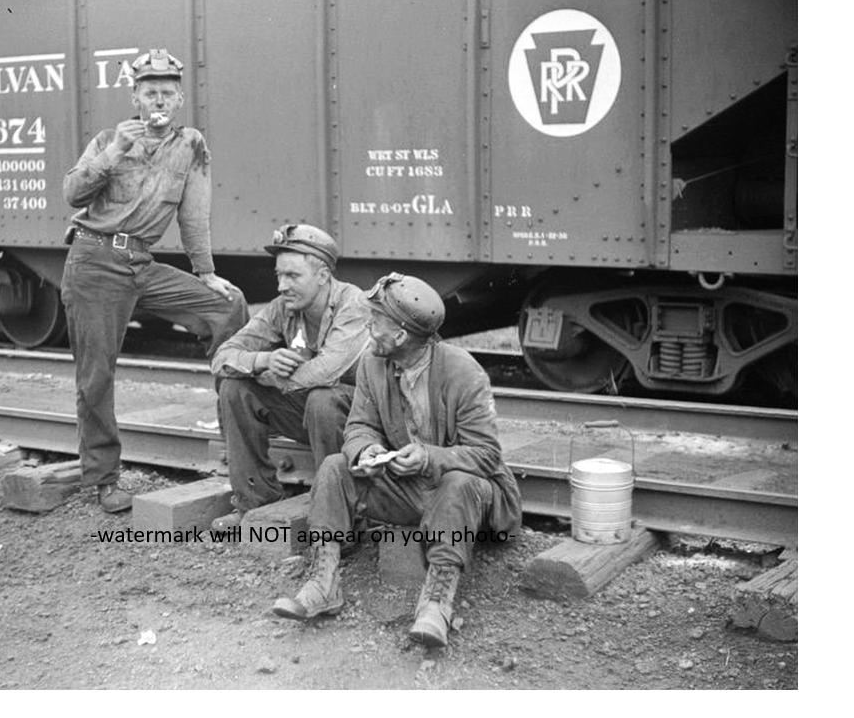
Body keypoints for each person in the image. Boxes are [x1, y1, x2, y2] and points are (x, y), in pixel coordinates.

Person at [271, 273, 522, 648]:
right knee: (335, 466)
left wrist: (427, 457)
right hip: (411, 492)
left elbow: (486, 456)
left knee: (458, 482)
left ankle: (437, 602)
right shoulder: (374, 364)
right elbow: (358, 427)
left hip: (468, 500)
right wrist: (364, 450)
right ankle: (323, 582)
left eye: (376, 324)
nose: (369, 331)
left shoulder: (464, 372)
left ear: (402, 337)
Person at [62, 49, 248, 513]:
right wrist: (114, 152)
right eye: (150, 93)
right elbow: (72, 192)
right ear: (135, 97)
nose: (158, 100)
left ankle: (237, 443)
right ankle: (103, 480)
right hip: (95, 260)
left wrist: (205, 272)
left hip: (141, 264)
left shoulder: (191, 144)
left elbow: (194, 213)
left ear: (180, 97)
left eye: (167, 92)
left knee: (227, 307)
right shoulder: (111, 138)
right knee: (96, 374)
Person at [210, 224, 371, 527]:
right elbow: (222, 358)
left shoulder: (354, 304)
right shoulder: (282, 308)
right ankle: (255, 506)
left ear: (323, 276)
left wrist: (272, 378)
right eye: (279, 276)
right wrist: (262, 359)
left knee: (323, 398)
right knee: (234, 388)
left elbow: (327, 371)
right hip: (317, 415)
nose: (282, 286)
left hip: (371, 424)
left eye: (293, 276)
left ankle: (341, 521)